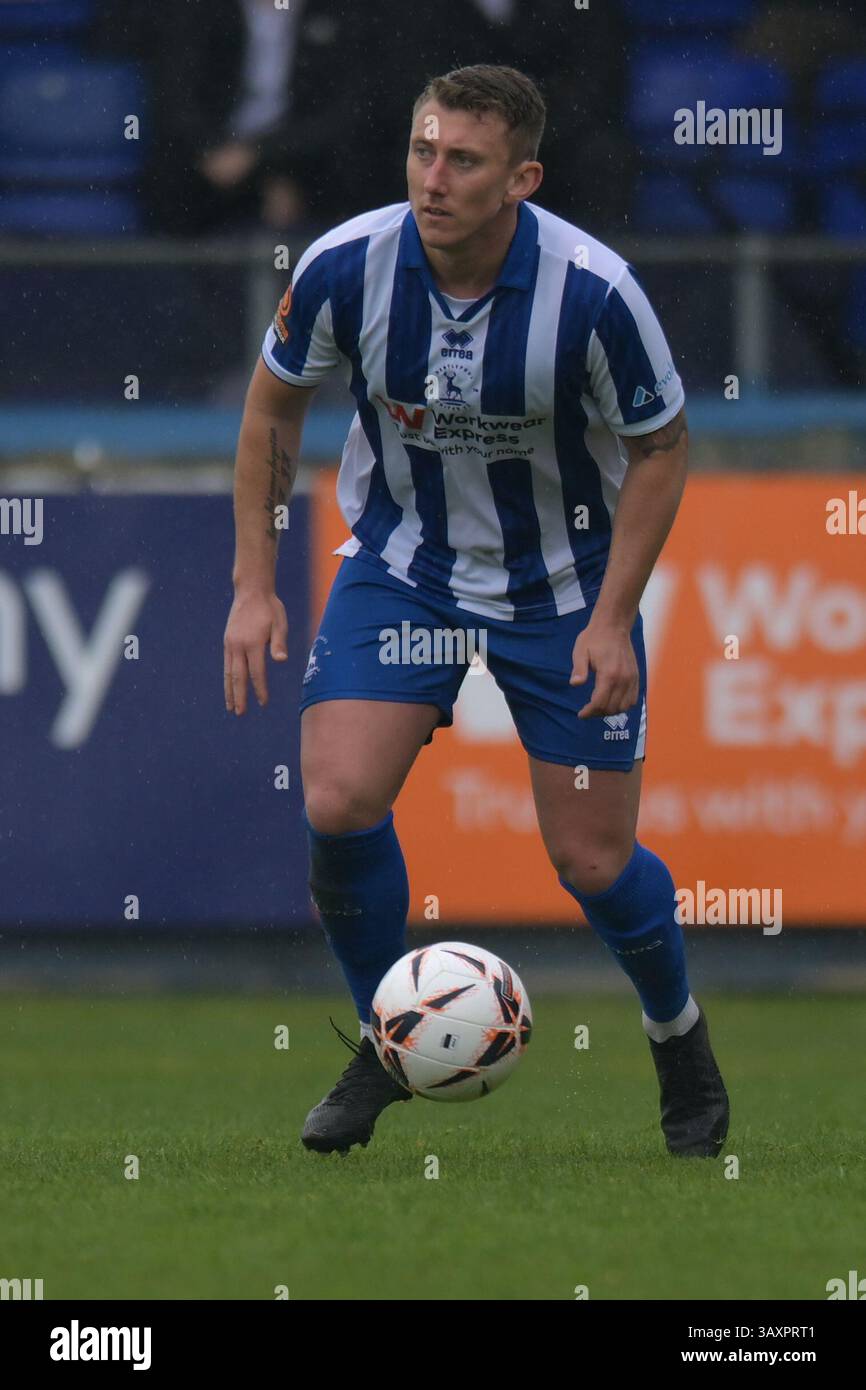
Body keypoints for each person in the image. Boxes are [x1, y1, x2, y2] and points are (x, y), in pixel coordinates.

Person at [223, 65, 729, 1160]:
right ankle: (386, 1037)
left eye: (461, 161)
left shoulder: (593, 292)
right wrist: (253, 584)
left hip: (562, 586)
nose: (432, 178)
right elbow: (273, 408)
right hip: (405, 565)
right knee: (339, 795)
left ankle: (675, 1034)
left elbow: (661, 447)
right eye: (420, 150)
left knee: (591, 860)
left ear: (521, 179)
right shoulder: (344, 268)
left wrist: (611, 615)